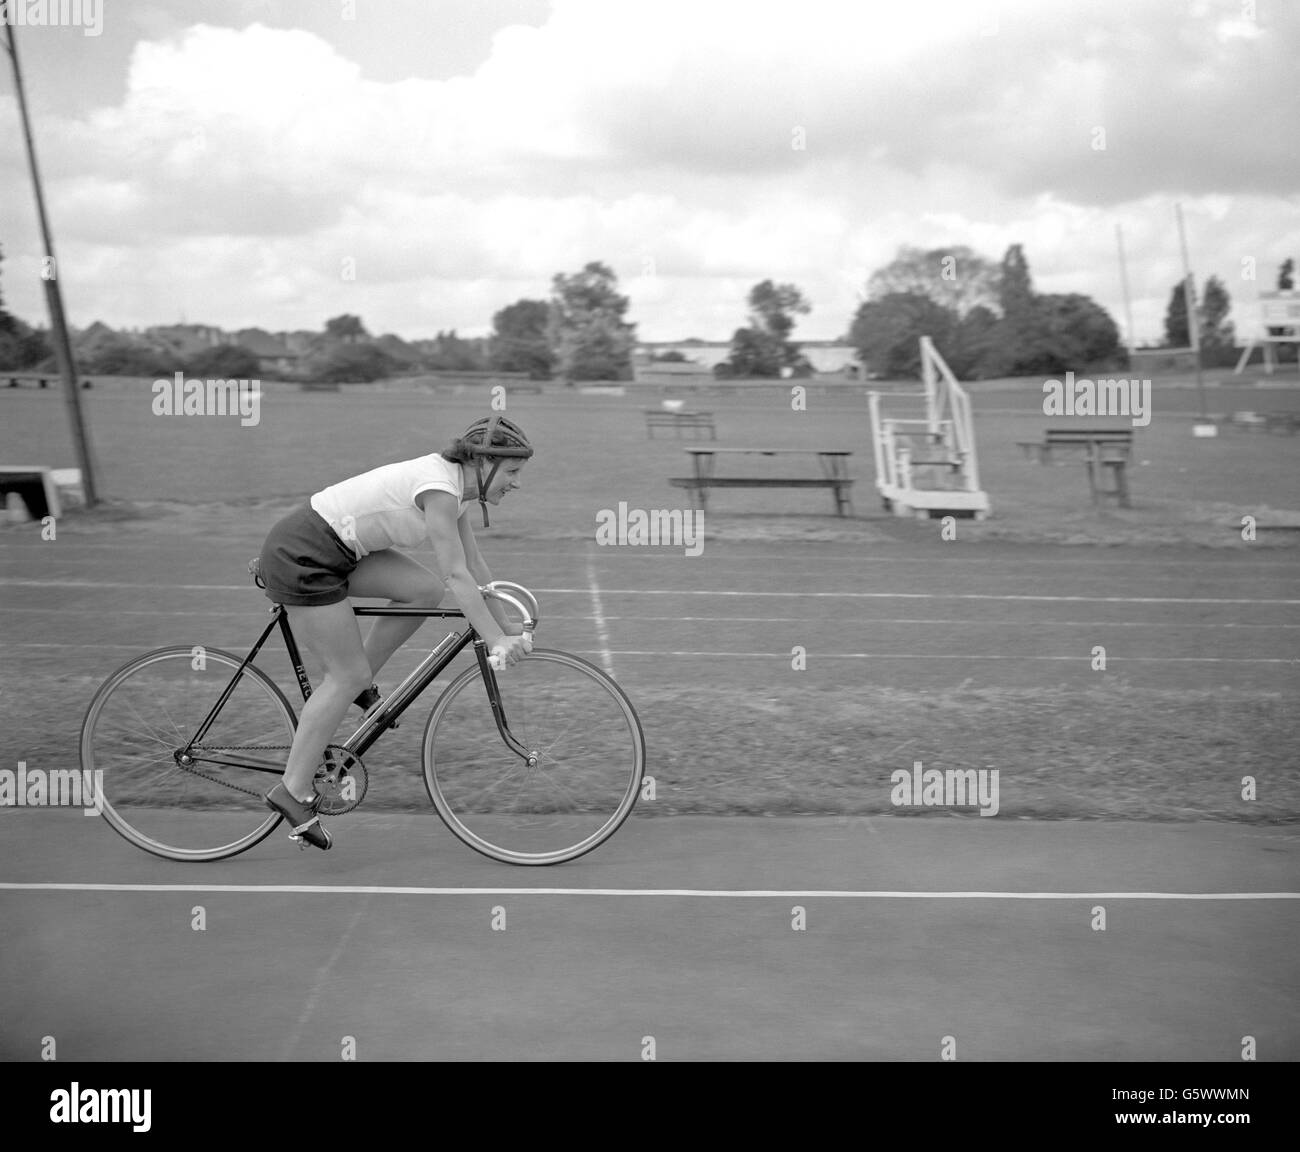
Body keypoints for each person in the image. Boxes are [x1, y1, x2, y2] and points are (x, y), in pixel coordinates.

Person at [255, 414, 534, 849]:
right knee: (344, 677)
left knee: (421, 591)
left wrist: (509, 624)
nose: (516, 483)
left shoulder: (456, 491)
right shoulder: (439, 490)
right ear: (483, 463)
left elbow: (476, 569)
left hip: (338, 549)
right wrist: (496, 639)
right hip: (304, 554)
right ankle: (292, 791)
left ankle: (359, 685)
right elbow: (457, 577)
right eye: (512, 472)